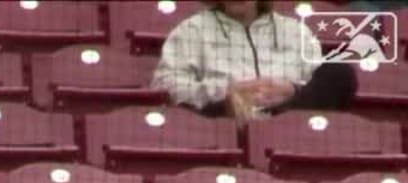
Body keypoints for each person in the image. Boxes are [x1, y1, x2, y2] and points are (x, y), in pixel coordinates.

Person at [152, 1, 356, 120]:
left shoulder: (296, 32)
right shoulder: (191, 30)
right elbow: (166, 85)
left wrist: (293, 90)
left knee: (339, 73)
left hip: (288, 127)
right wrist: (225, 94)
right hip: (222, 125)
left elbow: (318, 86)